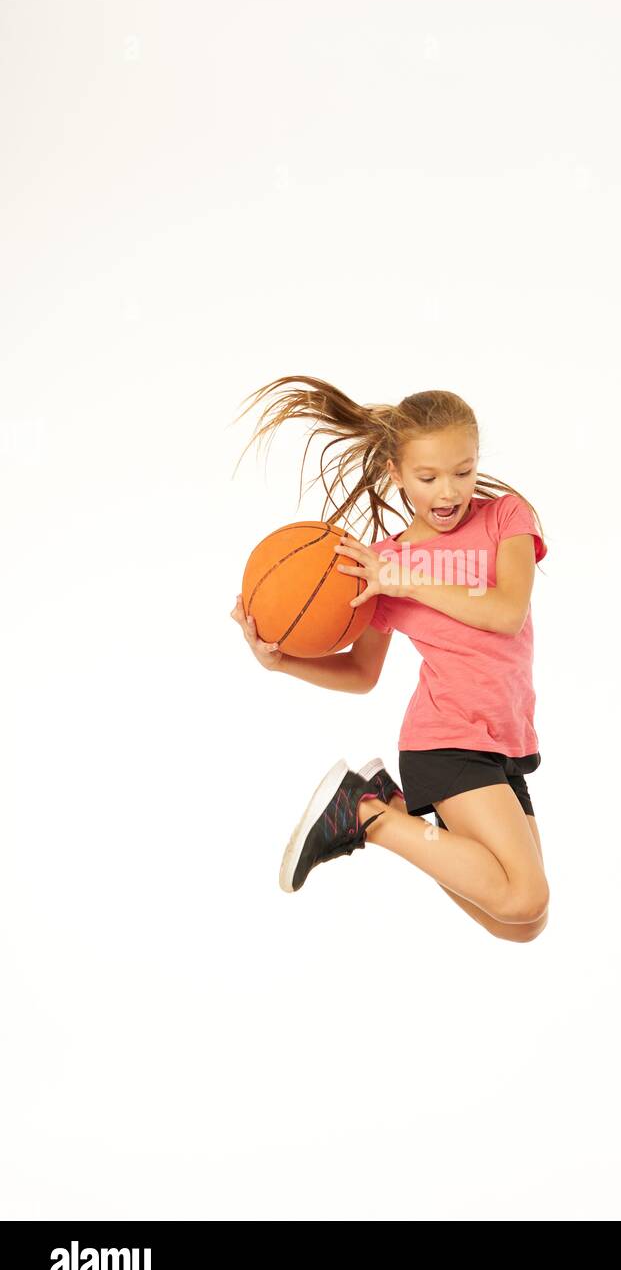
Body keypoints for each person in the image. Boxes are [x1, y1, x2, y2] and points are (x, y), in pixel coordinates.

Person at [229, 376, 549, 943]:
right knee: (524, 895)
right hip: (446, 740)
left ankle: (385, 811)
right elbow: (361, 673)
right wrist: (282, 663)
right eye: (427, 478)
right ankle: (369, 817)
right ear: (396, 476)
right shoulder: (383, 563)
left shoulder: (506, 518)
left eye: (463, 471)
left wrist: (408, 580)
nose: (448, 491)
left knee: (522, 924)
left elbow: (507, 611)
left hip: (506, 741)